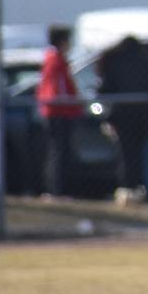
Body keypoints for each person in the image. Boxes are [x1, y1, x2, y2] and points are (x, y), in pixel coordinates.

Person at [95, 35, 148, 205]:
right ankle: (143, 190)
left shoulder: (114, 62)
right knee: (142, 156)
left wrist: (108, 117)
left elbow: (104, 91)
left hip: (122, 117)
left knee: (126, 155)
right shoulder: (146, 61)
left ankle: (128, 189)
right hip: (144, 117)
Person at [35, 24, 84, 199]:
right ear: (62, 42)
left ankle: (57, 190)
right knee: (59, 153)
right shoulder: (55, 62)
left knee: (60, 152)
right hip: (58, 113)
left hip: (59, 112)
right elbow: (58, 90)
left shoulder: (56, 61)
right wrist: (73, 104)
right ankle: (56, 191)